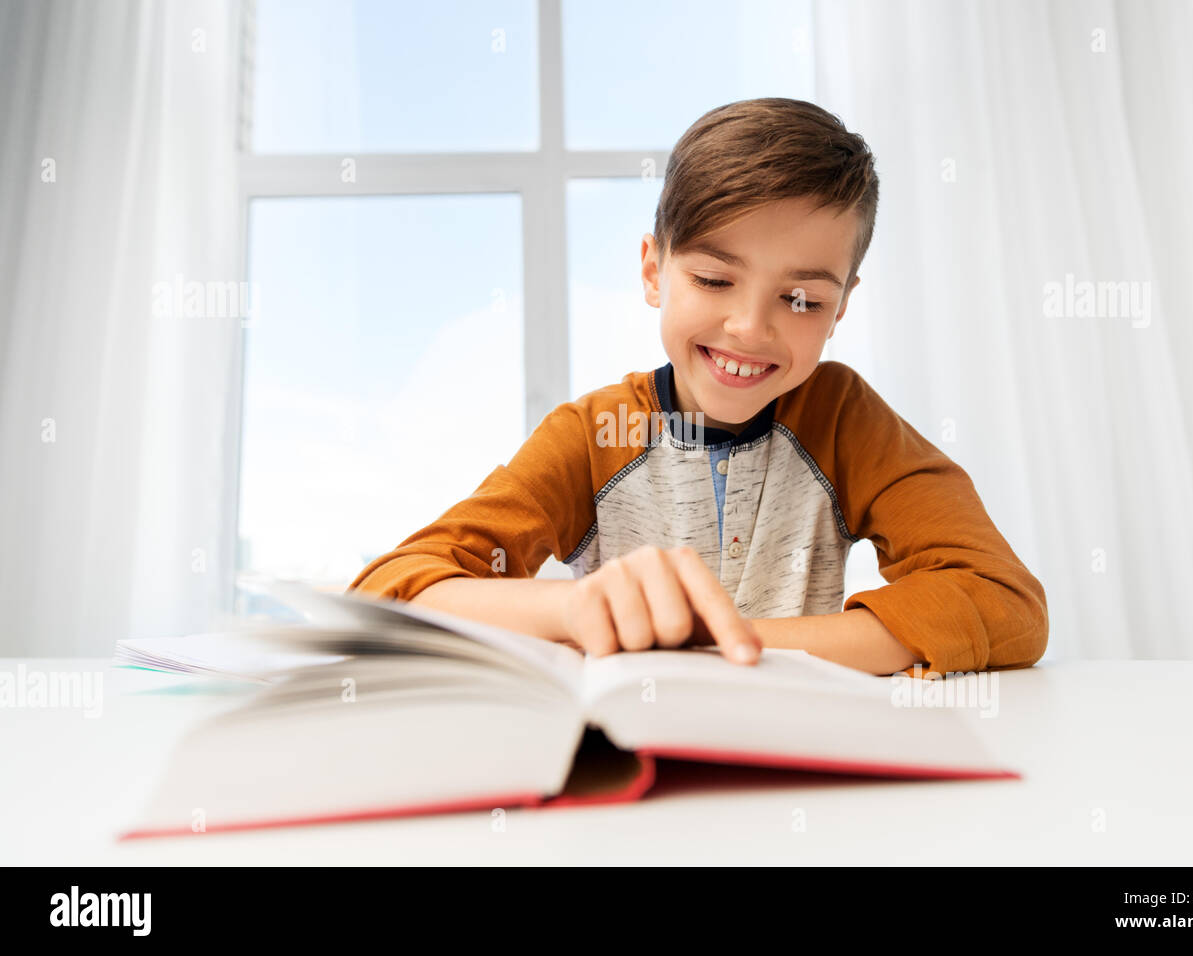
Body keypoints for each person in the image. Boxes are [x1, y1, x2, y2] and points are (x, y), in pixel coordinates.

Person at [348, 97, 1048, 678]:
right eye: (714, 280)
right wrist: (573, 611)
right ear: (654, 271)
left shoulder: (845, 420)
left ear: (841, 307)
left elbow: (1002, 600)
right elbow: (390, 590)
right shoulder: (594, 435)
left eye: (801, 299)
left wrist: (726, 645)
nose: (749, 328)